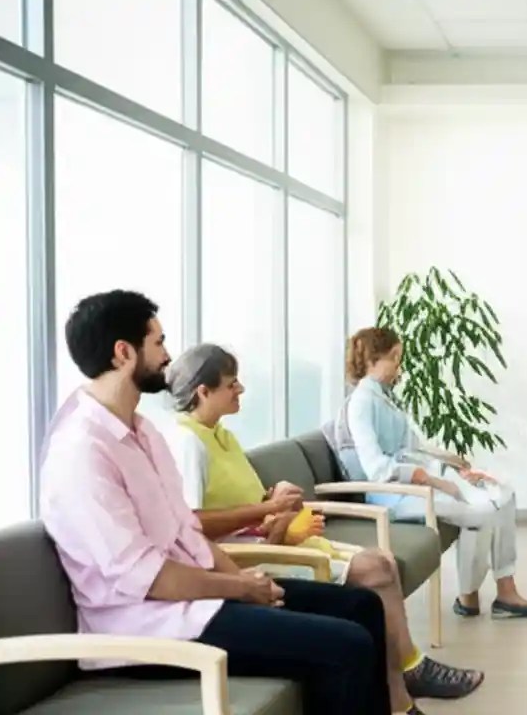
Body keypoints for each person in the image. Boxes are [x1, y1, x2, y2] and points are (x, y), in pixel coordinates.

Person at [40, 290, 400, 715]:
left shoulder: (143, 433)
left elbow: (187, 532)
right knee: (346, 646)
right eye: (158, 342)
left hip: (198, 602)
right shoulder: (81, 450)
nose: (168, 356)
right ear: (124, 353)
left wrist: (247, 582)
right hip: (149, 629)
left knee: (361, 606)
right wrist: (241, 587)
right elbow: (148, 579)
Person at [164, 344, 484, 706]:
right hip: (245, 557)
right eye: (231, 383)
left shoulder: (222, 435)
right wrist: (267, 508)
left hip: (274, 539)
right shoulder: (187, 443)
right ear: (202, 392)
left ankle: (403, 686)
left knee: (383, 562)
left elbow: (241, 499)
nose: (241, 389)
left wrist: (274, 497)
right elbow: (190, 523)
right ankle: (407, 680)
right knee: (377, 569)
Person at [333, 327, 527, 620]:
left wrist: (454, 463)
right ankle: (484, 595)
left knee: (504, 493)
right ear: (373, 360)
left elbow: (413, 446)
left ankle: (498, 592)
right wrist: (433, 480)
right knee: (485, 511)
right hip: (393, 495)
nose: (399, 365)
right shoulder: (362, 402)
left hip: (416, 482)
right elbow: (377, 469)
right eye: (394, 357)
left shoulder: (385, 397)